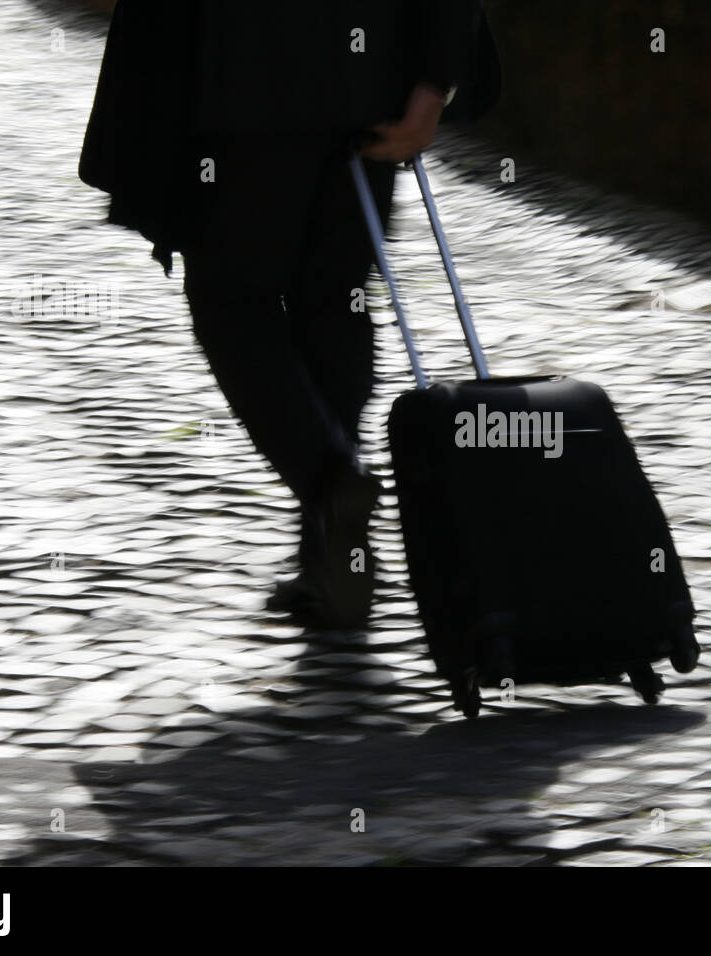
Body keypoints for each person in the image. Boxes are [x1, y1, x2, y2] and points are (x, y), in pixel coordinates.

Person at [79, 1, 500, 628]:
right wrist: (433, 84)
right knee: (335, 305)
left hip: (244, 87)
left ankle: (331, 483)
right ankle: (337, 566)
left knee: (233, 306)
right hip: (366, 84)